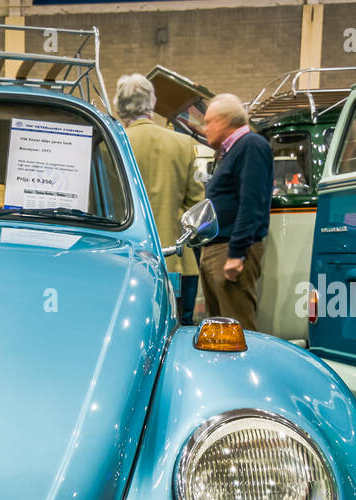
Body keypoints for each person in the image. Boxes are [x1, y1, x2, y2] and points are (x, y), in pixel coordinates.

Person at [114, 73, 204, 323]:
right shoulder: (183, 143)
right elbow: (196, 204)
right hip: (176, 262)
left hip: (126, 262)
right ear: (152, 104)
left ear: (120, 107)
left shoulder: (113, 144)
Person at [200, 93, 273, 331]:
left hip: (229, 250)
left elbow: (251, 202)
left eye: (208, 122)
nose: (204, 129)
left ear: (224, 120)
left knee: (237, 329)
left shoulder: (251, 145)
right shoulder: (233, 151)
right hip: (219, 248)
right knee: (220, 330)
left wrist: (236, 253)